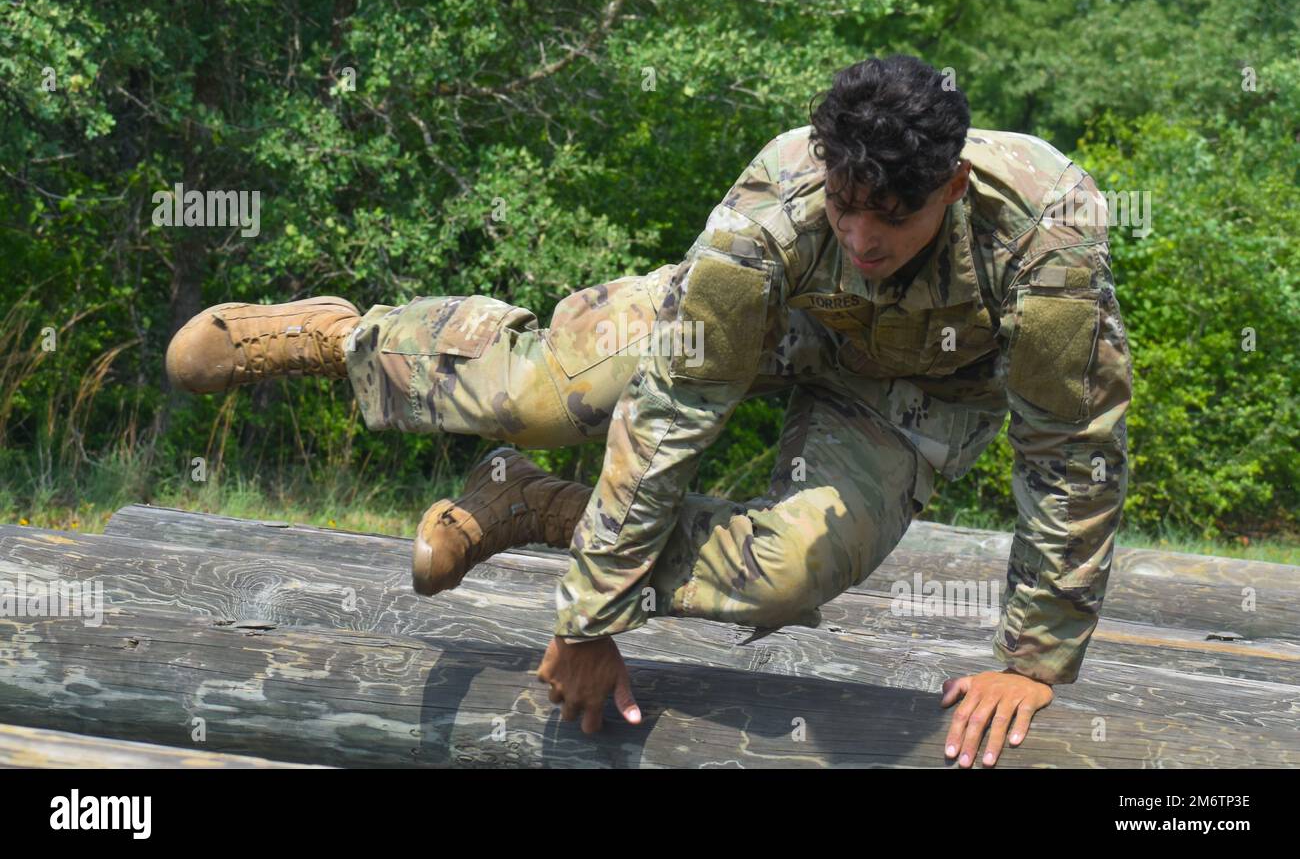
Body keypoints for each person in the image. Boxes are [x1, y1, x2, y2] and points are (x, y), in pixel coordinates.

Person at [165, 54, 1132, 767]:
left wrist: (1033, 656)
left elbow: (1070, 445)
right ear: (822, 169)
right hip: (775, 321)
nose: (863, 236)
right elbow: (678, 406)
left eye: (895, 215)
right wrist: (588, 621)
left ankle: (529, 505)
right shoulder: (776, 202)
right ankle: (345, 338)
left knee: (790, 573)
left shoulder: (1049, 235)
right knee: (542, 393)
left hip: (913, 388)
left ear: (954, 186)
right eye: (845, 205)